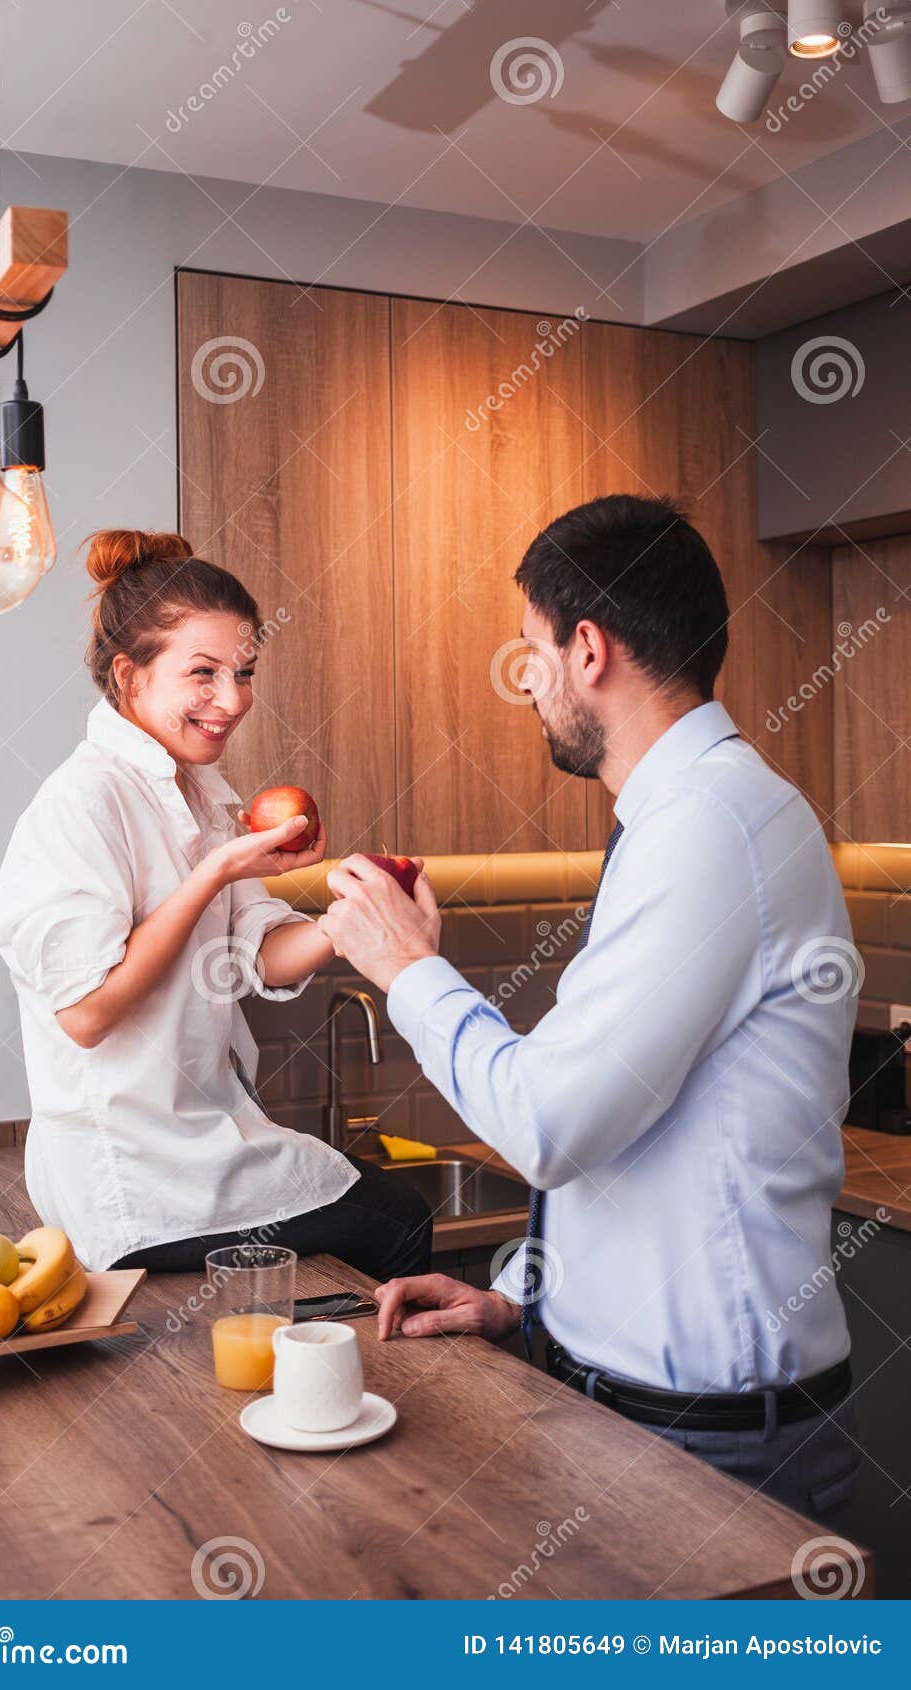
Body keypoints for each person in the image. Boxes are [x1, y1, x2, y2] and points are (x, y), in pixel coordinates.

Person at [318, 493, 860, 1523]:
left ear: (587, 649)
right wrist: (524, 1296)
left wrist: (403, 967)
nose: (524, 682)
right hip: (637, 1414)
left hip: (708, 1444)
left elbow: (549, 1122)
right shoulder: (680, 818)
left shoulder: (708, 826)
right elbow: (636, 1124)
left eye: (529, 651)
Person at [0, 528, 431, 1281]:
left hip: (201, 1147)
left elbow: (258, 953)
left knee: (391, 1218)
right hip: (131, 1176)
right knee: (395, 1222)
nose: (232, 700)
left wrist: (349, 918)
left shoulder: (199, 798)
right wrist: (217, 871)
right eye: (203, 673)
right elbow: (87, 1013)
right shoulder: (83, 800)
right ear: (131, 679)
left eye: (244, 672)